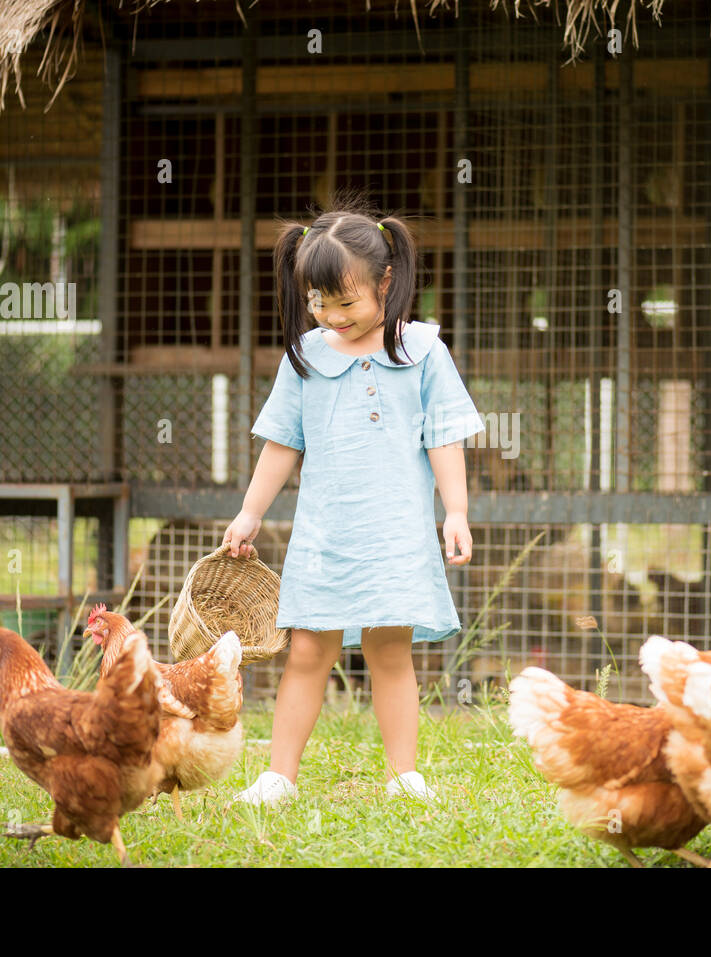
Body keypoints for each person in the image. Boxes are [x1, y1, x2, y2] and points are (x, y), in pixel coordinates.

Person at [223, 202, 485, 806]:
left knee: (388, 649)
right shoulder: (306, 357)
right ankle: (279, 777)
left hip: (396, 533)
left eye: (347, 302)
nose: (332, 315)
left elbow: (443, 435)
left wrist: (457, 511)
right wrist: (250, 512)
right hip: (325, 535)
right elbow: (282, 443)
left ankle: (404, 778)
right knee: (309, 648)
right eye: (318, 301)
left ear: (386, 284)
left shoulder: (422, 351)